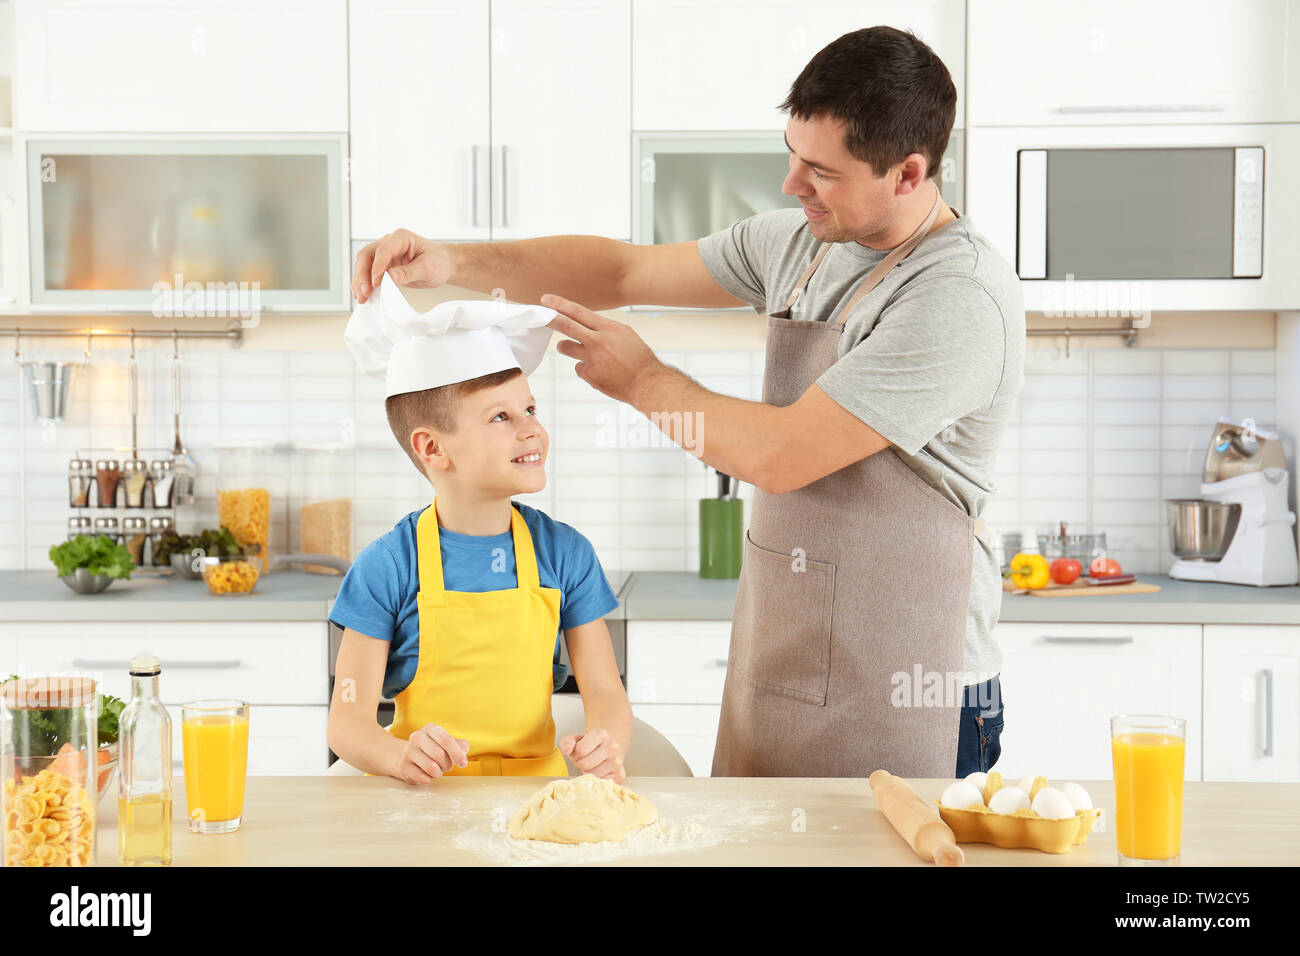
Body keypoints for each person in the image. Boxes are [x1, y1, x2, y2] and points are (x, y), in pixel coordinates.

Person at [350, 26, 1023, 779]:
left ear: (907, 173)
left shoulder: (957, 298)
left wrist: (641, 381)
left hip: (913, 688)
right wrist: (454, 262)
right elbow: (623, 269)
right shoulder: (802, 242)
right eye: (792, 156)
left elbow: (782, 455)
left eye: (821, 171)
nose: (792, 186)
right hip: (787, 656)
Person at [326, 280, 632, 783]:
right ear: (432, 449)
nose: (531, 429)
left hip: (534, 796)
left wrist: (608, 742)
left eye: (530, 409)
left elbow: (604, 694)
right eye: (501, 417)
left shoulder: (565, 553)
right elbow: (347, 722)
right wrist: (397, 757)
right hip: (424, 804)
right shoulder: (388, 566)